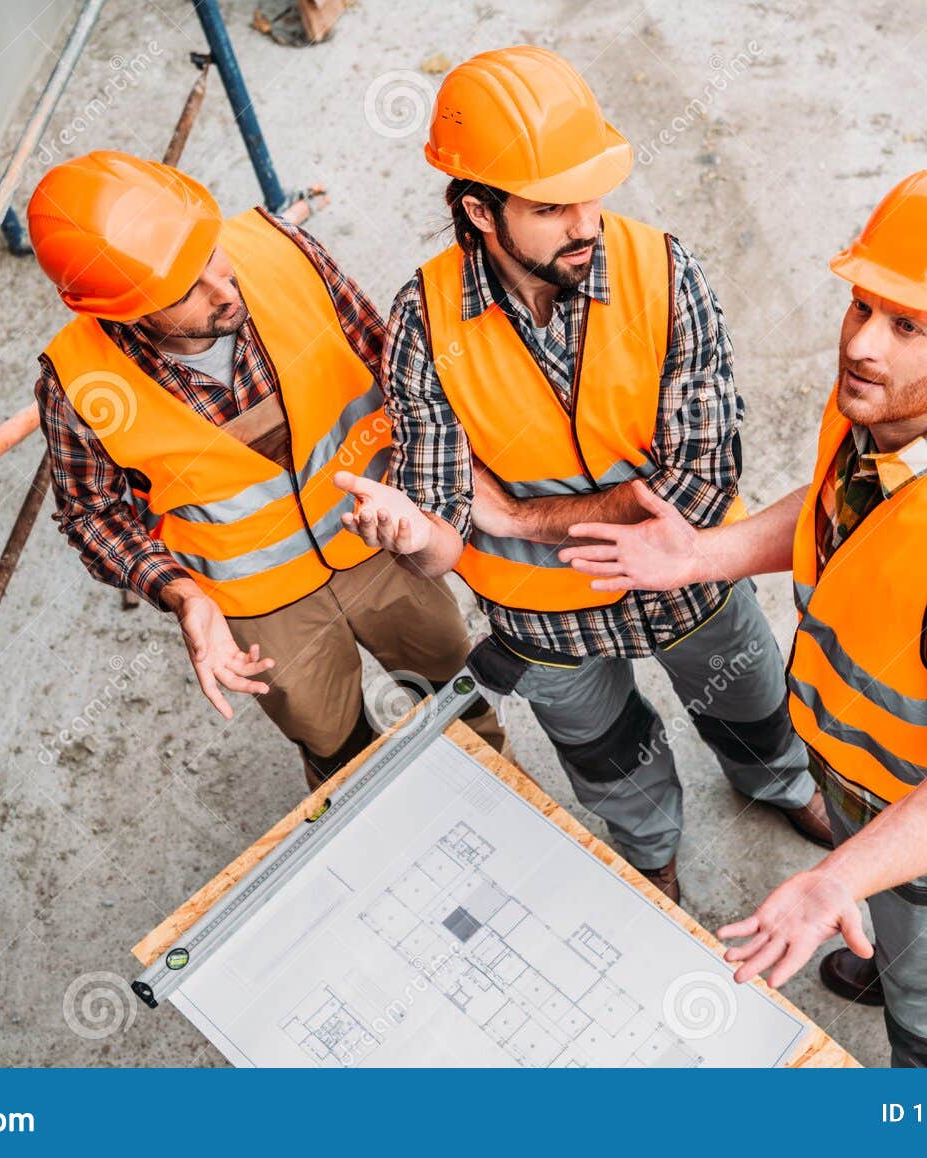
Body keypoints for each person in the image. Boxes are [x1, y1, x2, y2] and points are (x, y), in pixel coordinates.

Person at [560, 167, 927, 1066]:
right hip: (852, 765)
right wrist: (707, 553)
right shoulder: (883, 406)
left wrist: (832, 881)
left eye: (910, 325)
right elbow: (836, 511)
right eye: (863, 307)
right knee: (881, 905)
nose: (864, 344)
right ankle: (888, 951)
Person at [334, 47, 827, 901]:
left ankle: (781, 783)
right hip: (543, 620)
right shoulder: (423, 324)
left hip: (686, 574)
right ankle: (653, 852)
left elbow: (696, 485)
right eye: (552, 206)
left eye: (590, 193)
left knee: (749, 701)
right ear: (480, 211)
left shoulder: (663, 273)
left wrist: (521, 521)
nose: (587, 223)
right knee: (605, 755)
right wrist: (417, 535)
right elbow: (446, 539)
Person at [27, 151, 504, 789]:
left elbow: (396, 371)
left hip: (380, 544)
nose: (225, 291)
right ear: (119, 313)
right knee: (335, 746)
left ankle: (499, 796)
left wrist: (431, 500)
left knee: (455, 687)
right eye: (185, 292)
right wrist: (185, 596)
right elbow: (91, 515)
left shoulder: (281, 252)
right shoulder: (78, 382)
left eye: (210, 257)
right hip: (259, 600)